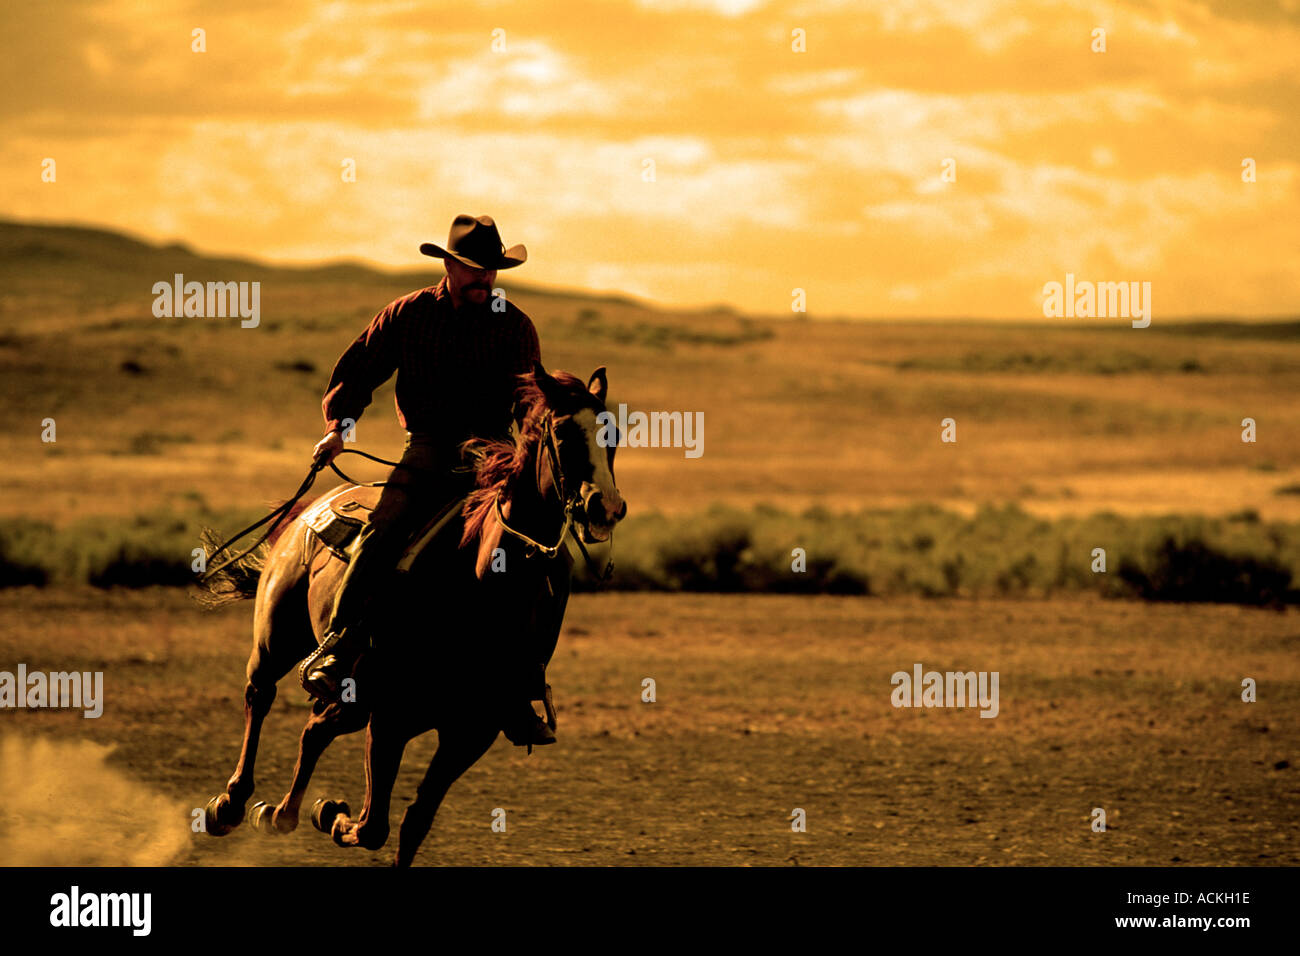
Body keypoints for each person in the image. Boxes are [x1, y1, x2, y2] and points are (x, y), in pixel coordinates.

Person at [299, 213, 555, 747]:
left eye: (492, 270)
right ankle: (338, 648)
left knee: (541, 556)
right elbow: (359, 373)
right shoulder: (409, 315)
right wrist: (339, 431)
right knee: (382, 528)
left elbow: (531, 405)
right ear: (449, 264)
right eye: (473, 269)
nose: (484, 279)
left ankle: (523, 683)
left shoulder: (515, 326)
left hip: (494, 460)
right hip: (429, 451)